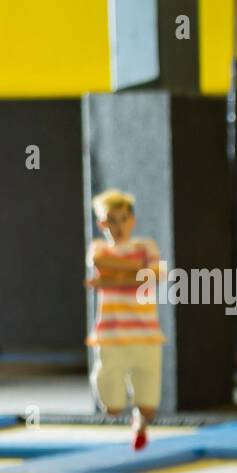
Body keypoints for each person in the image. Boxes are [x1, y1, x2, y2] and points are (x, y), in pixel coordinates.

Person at [85, 189, 164, 450]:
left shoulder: (146, 246)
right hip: (111, 335)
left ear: (132, 220)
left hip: (146, 336)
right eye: (111, 220)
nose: (118, 227)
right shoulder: (98, 247)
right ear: (102, 224)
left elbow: (154, 275)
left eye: (123, 219)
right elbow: (99, 260)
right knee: (113, 406)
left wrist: (109, 280)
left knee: (148, 406)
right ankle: (116, 401)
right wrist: (136, 270)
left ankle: (139, 425)